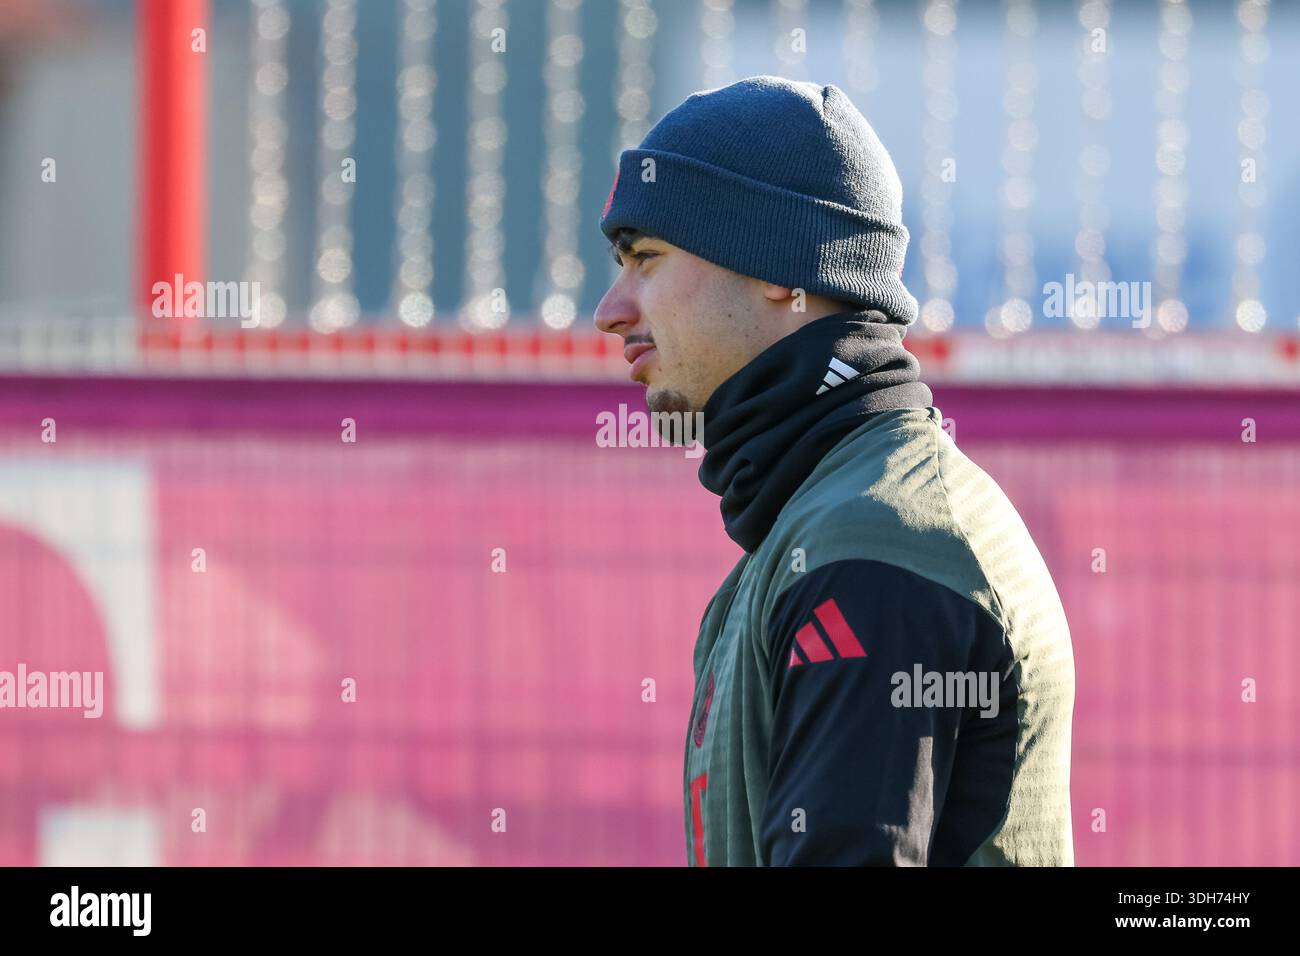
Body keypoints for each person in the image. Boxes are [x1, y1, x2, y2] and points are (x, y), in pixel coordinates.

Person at [594, 75, 1075, 866]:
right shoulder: (820, 524)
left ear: (781, 268)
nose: (611, 308)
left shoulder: (874, 544)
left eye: (646, 256)